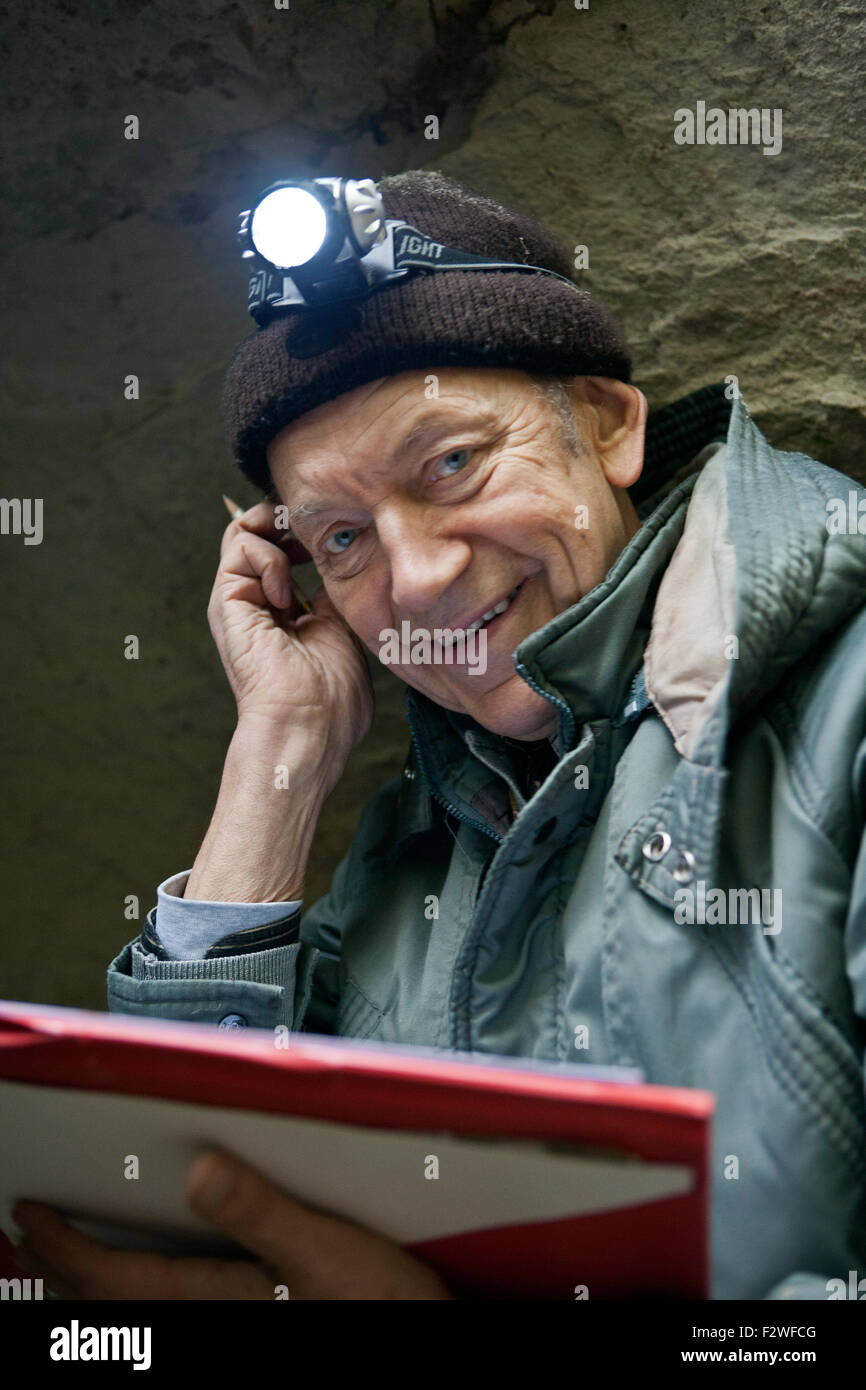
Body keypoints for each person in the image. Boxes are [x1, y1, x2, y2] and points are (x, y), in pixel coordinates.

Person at [14, 172, 866, 1301]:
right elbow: (172, 1235)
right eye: (343, 536)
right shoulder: (405, 857)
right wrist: (280, 749)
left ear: (608, 425)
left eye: (452, 463)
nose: (413, 580)